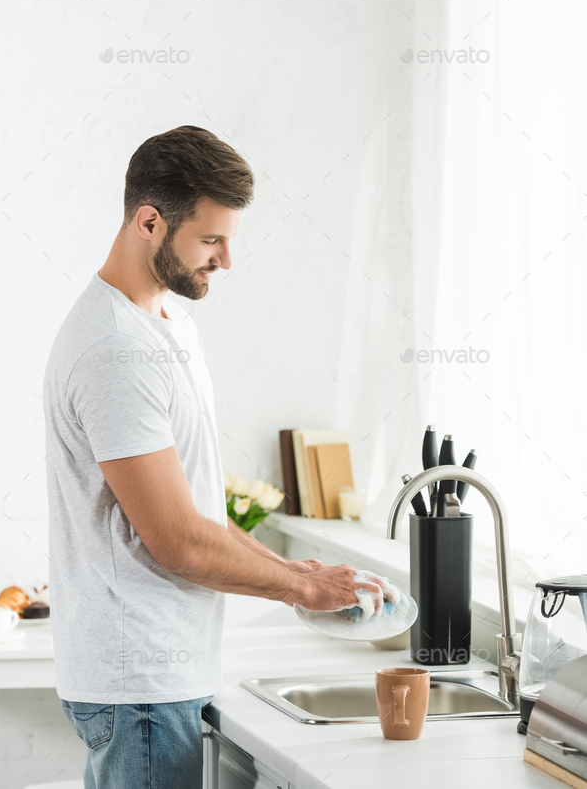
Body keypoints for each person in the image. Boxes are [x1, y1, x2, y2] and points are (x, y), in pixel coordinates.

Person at [43, 125, 386, 789]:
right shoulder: (116, 349)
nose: (226, 259)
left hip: (162, 678)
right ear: (149, 222)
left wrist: (288, 569)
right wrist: (303, 588)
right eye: (210, 239)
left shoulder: (166, 325)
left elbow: (195, 512)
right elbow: (177, 542)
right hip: (138, 685)